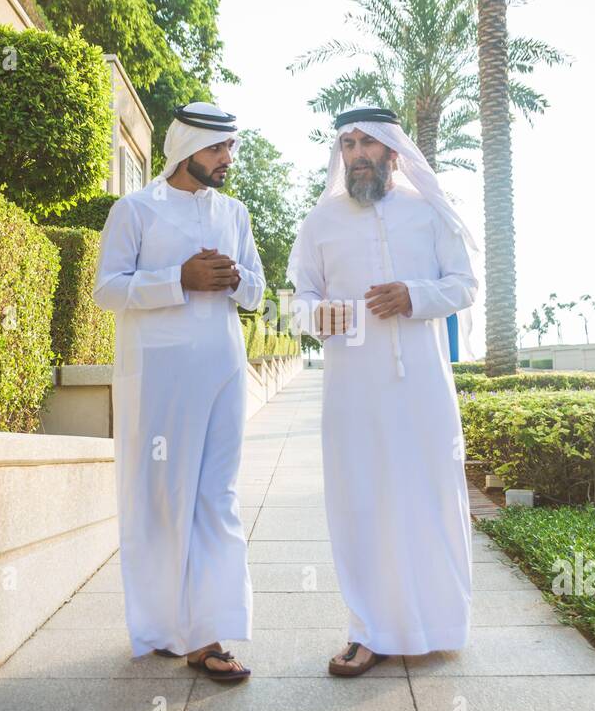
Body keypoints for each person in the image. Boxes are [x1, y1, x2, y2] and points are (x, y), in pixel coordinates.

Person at [287, 106, 481, 676]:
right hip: (352, 390)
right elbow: (295, 300)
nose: (357, 154)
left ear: (394, 151)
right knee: (361, 501)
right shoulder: (318, 223)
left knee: (428, 496)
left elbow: (464, 285)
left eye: (367, 144)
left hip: (421, 386)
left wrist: (413, 297)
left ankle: (437, 623)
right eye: (347, 145)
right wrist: (318, 316)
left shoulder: (430, 214)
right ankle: (368, 630)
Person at [92, 101, 265, 681]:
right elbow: (108, 290)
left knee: (217, 495)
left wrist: (236, 278)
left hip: (223, 369)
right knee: (164, 499)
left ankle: (207, 633)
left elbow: (259, 291)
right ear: (186, 147)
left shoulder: (234, 212)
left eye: (230, 148)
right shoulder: (135, 209)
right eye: (218, 149)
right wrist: (178, 281)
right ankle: (167, 626)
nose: (227, 159)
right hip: (159, 377)